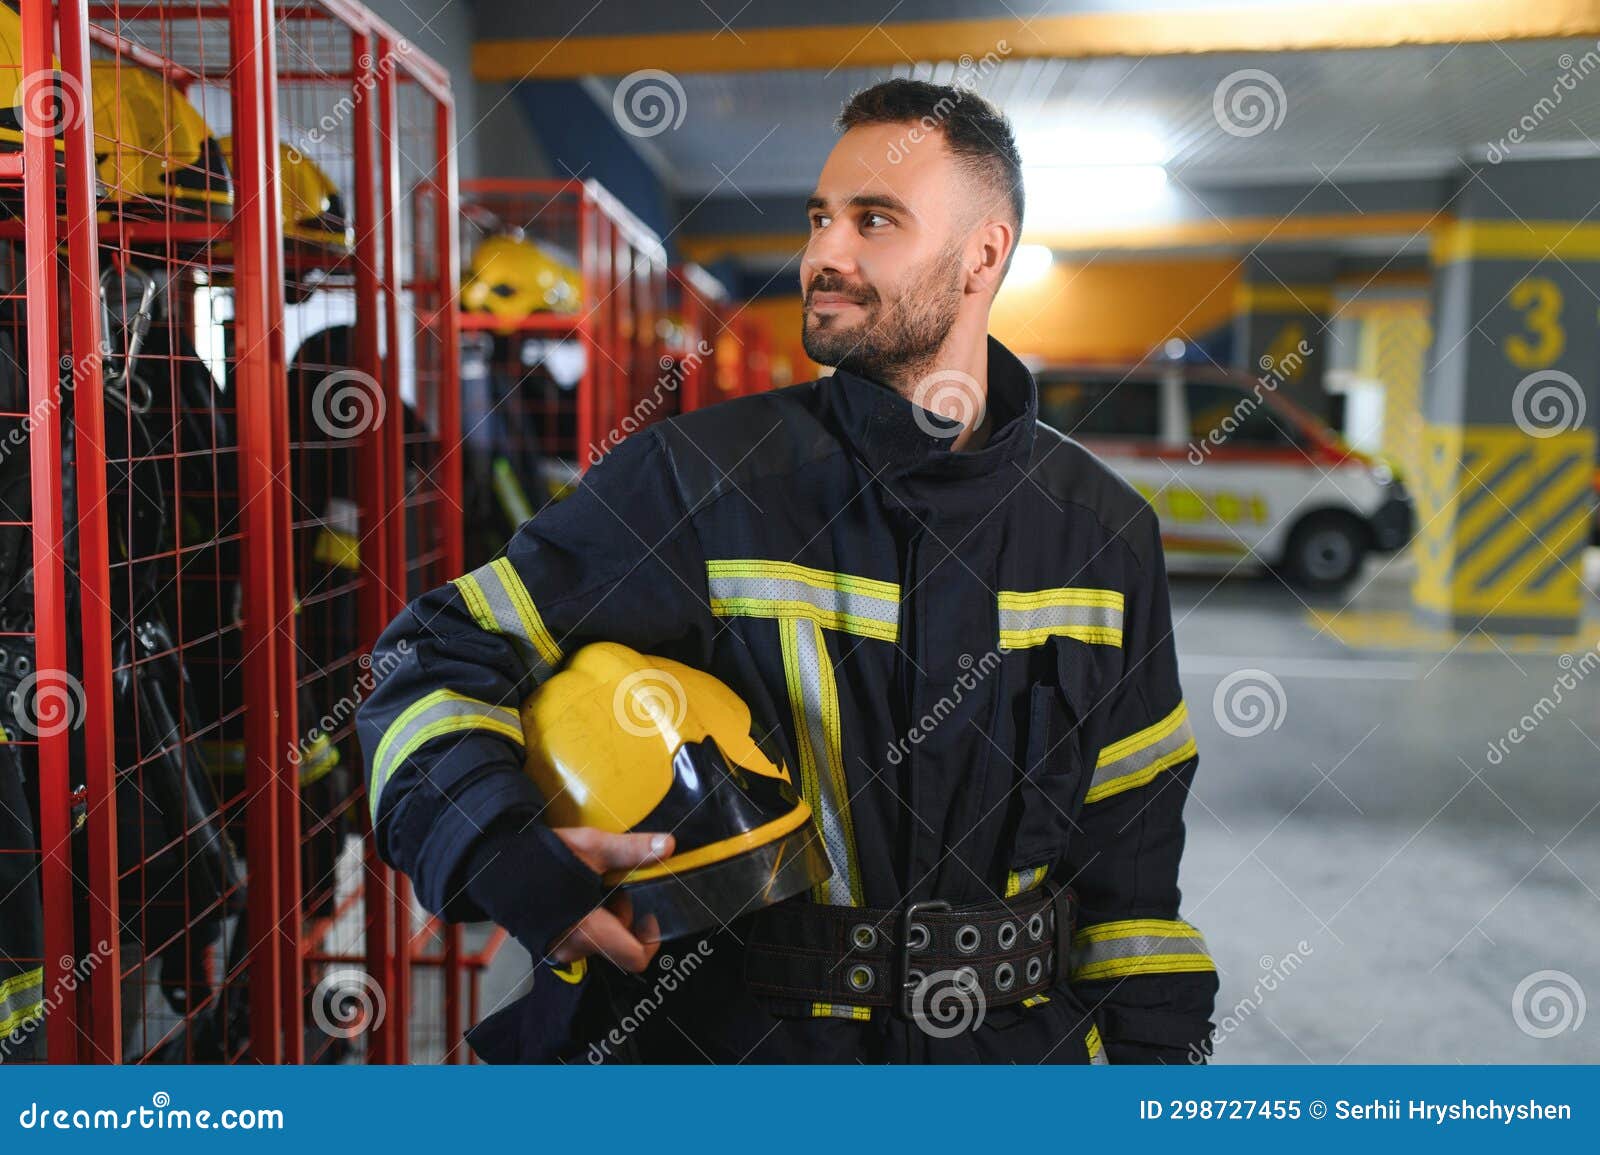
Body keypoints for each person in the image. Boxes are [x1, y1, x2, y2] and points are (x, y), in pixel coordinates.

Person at [357, 78, 1217, 1063]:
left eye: (875, 220)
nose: (824, 254)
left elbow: (1135, 885)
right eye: (820, 218)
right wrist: (499, 848)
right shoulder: (696, 482)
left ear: (986, 252)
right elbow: (427, 663)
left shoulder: (1101, 533)